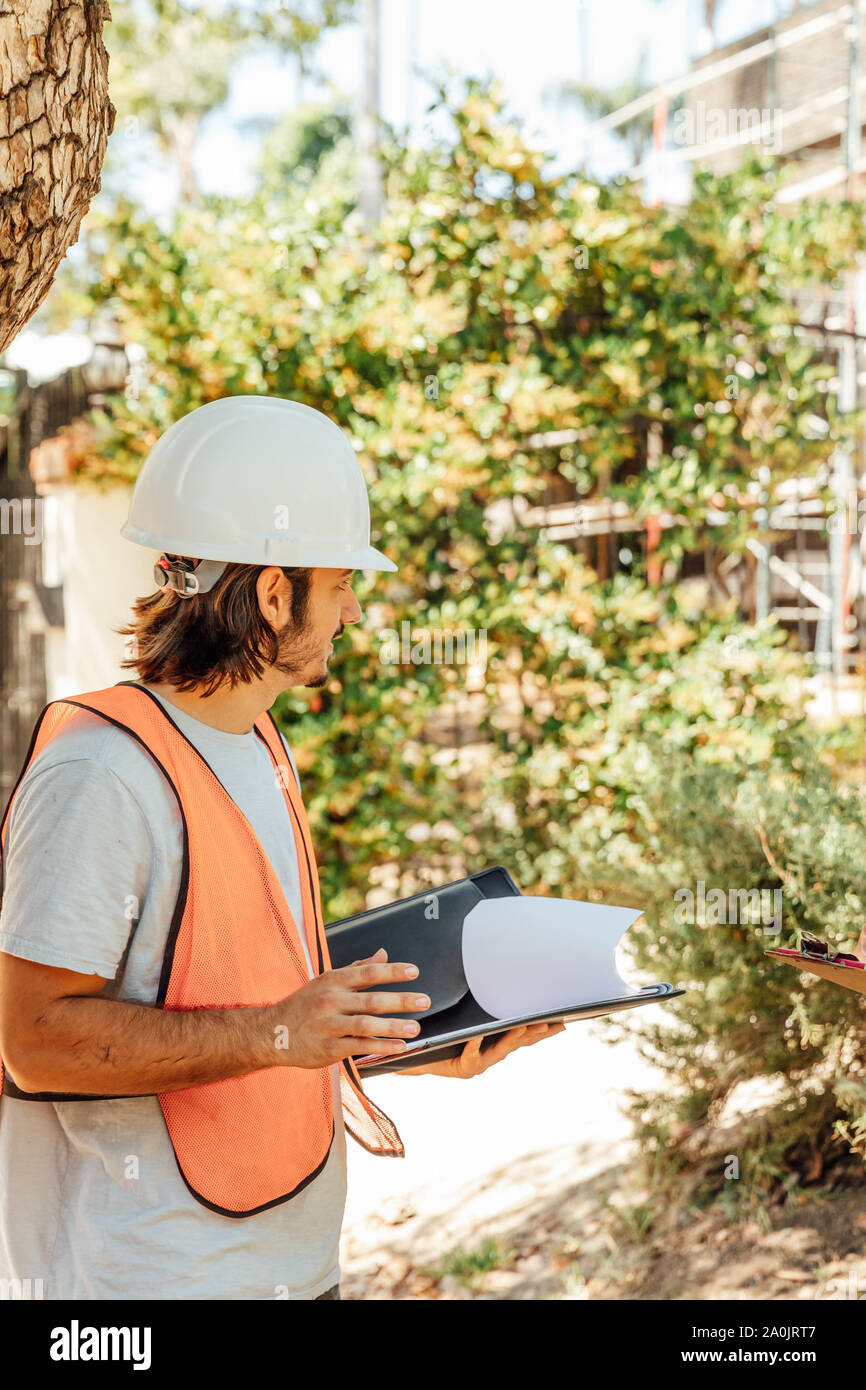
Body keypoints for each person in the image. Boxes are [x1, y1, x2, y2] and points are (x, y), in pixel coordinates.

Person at [0, 396, 562, 1301]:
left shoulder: (259, 743)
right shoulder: (99, 775)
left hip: (291, 1268)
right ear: (271, 592)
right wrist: (281, 1030)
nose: (350, 610)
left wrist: (419, 1040)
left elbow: (250, 1003)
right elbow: (33, 1038)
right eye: (339, 583)